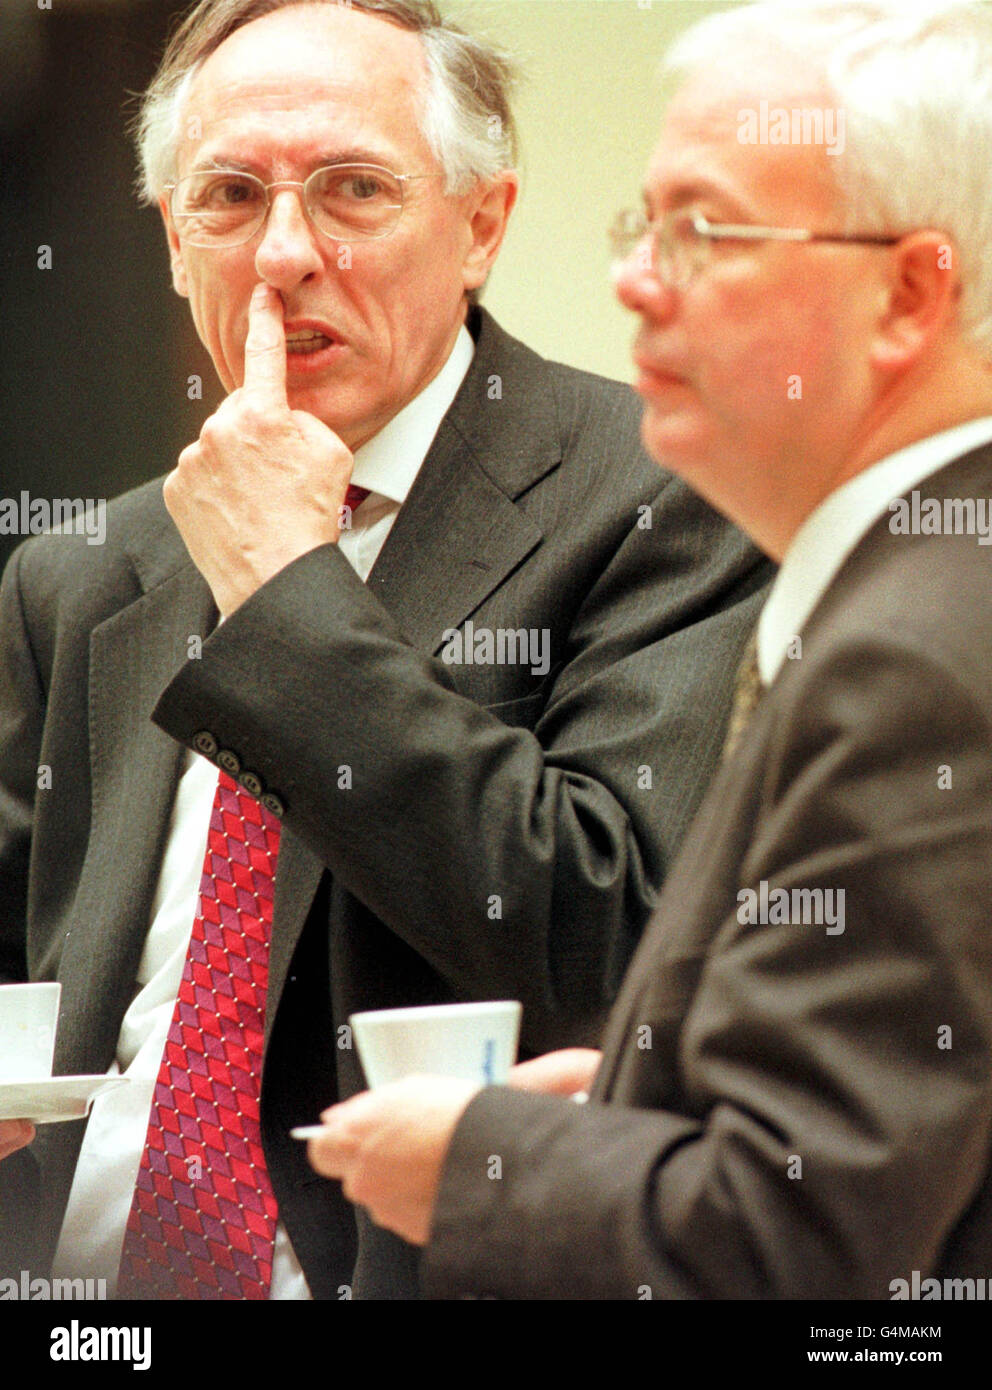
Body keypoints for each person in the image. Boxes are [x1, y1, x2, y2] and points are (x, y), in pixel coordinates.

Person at [0, 0, 768, 1300]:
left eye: (354, 189)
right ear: (174, 241)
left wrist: (286, 594)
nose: (285, 253)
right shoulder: (80, 570)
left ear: (482, 225)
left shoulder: (666, 497)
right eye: (229, 197)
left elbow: (605, 943)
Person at [304, 0, 992, 1299]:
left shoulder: (922, 657)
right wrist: (630, 1100)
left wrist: (486, 1165)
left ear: (907, 294)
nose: (634, 279)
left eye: (706, 232)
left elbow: (799, 1244)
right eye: (646, 224)